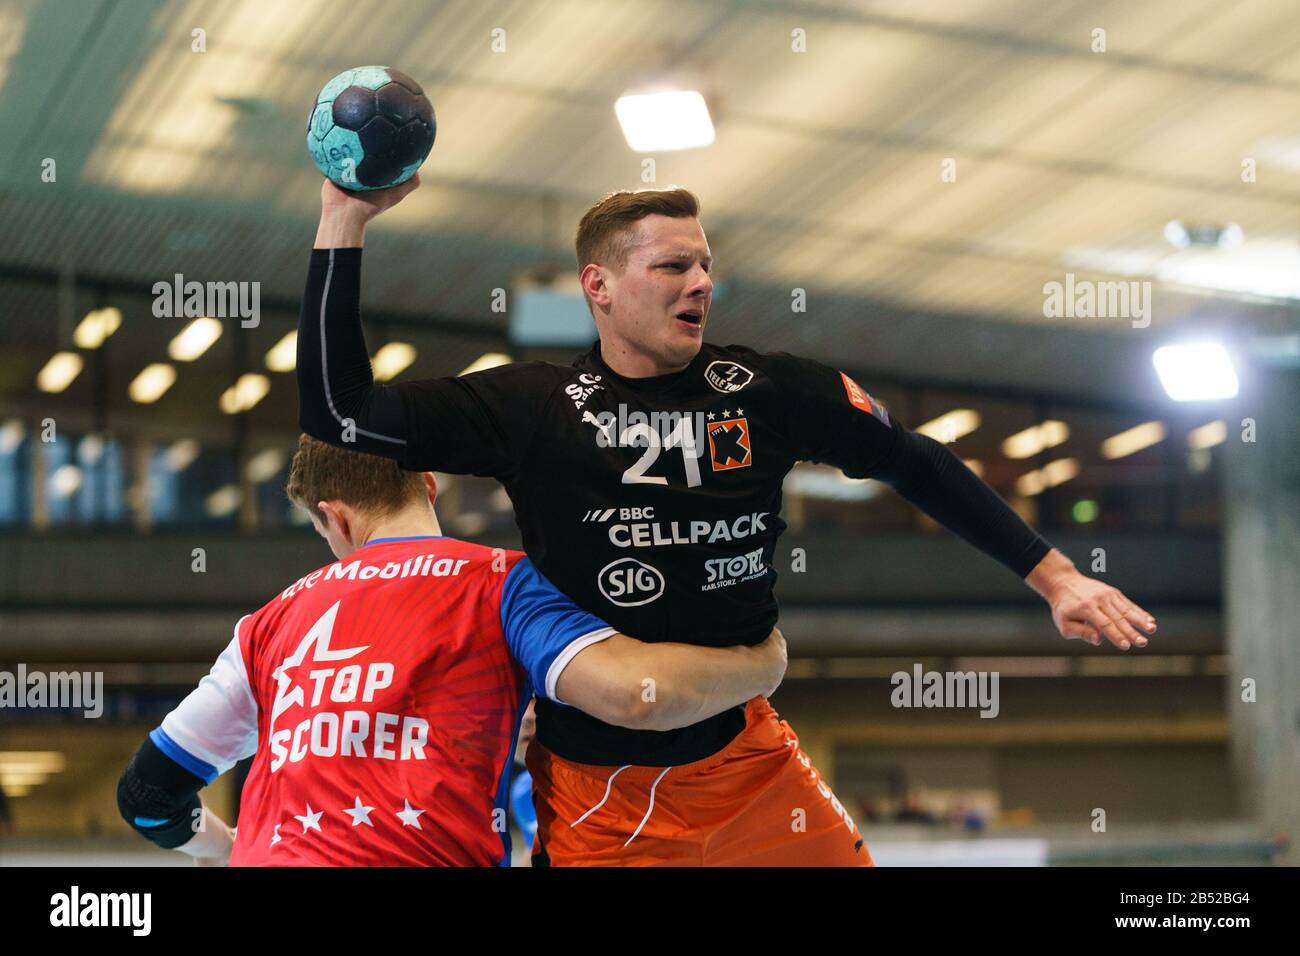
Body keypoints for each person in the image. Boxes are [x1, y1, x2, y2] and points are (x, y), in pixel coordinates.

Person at [296, 177, 1158, 866]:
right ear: (598, 286)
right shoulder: (531, 406)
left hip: (749, 761)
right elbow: (341, 411)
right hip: (604, 796)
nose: (701, 282)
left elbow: (916, 460)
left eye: (705, 265)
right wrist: (346, 218)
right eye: (672, 267)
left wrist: (1055, 576)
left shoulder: (771, 391)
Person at [116, 436, 786, 866]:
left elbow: (147, 796)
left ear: (335, 518)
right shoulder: (504, 583)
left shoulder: (269, 624)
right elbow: (637, 696)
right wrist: (762, 663)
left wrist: (228, 848)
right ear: (429, 486)